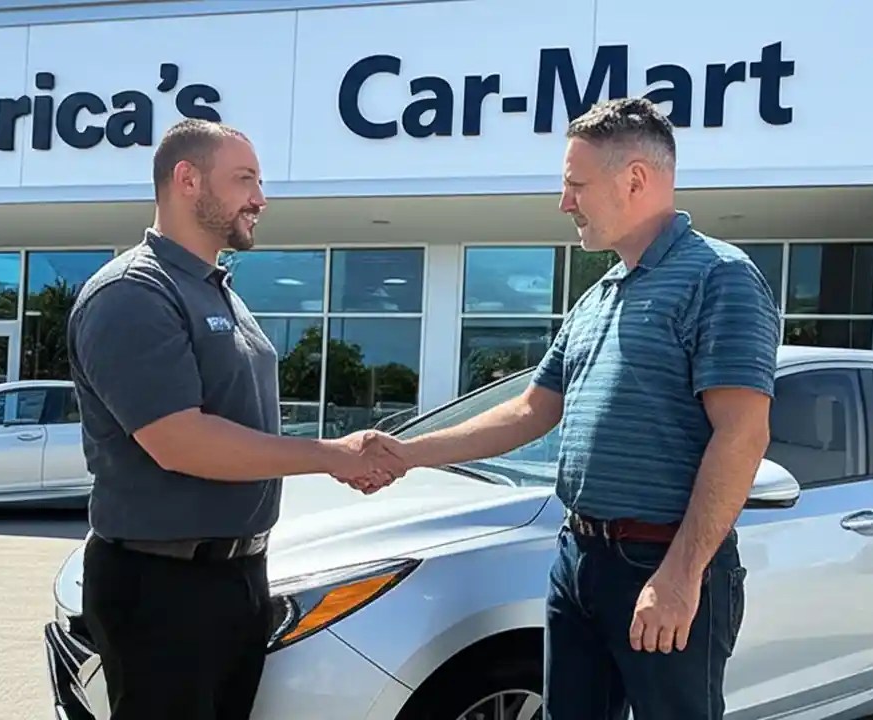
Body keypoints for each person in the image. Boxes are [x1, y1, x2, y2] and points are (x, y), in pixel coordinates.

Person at [346, 97, 780, 718]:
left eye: (576, 184)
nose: (564, 202)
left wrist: (681, 577)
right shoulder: (600, 295)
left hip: (659, 562)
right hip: (578, 559)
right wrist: (409, 453)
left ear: (635, 179)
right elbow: (528, 411)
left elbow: (742, 435)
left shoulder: (721, 278)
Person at [66, 118, 404, 720]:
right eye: (244, 179)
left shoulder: (218, 291)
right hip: (162, 588)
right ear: (187, 180)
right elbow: (181, 441)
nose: (260, 198)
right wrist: (331, 455)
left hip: (237, 577)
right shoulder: (133, 293)